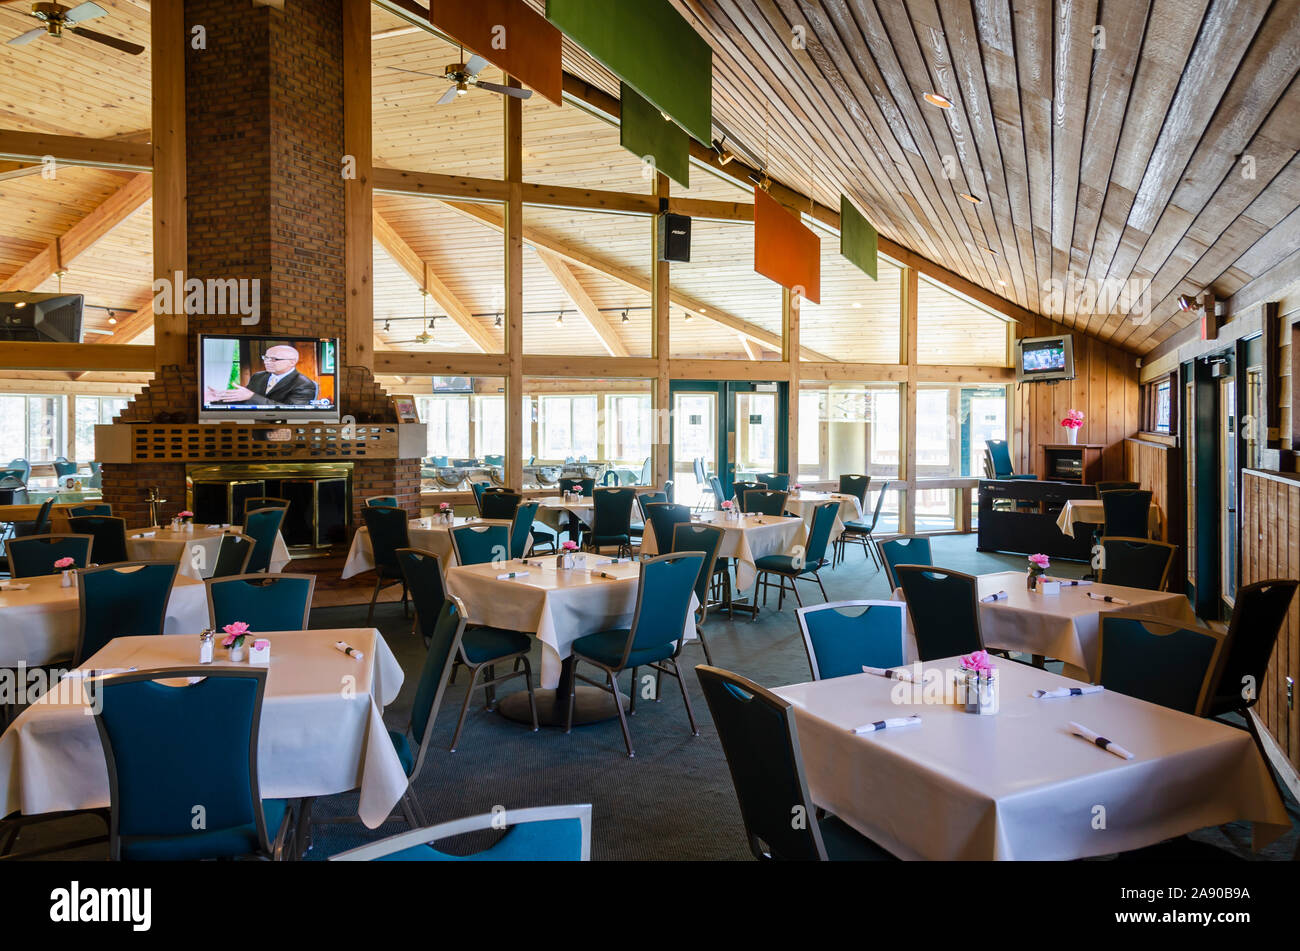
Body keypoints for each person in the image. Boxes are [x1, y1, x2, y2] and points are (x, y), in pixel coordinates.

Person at [205, 345, 320, 407]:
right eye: (266, 358)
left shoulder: (304, 384)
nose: (267, 362)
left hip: (283, 430)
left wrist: (251, 396)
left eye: (274, 359)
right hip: (250, 425)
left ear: (292, 362)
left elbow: (292, 411)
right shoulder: (258, 376)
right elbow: (244, 401)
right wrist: (219, 399)